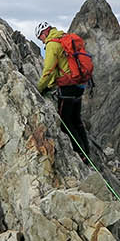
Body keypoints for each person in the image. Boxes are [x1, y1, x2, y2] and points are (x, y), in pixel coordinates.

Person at [35, 21, 90, 159]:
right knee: (76, 120)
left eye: (40, 37)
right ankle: (86, 152)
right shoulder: (63, 37)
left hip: (68, 87)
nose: (41, 41)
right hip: (80, 84)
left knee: (65, 122)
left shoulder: (52, 44)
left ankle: (81, 155)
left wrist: (39, 88)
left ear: (45, 32)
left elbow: (48, 71)